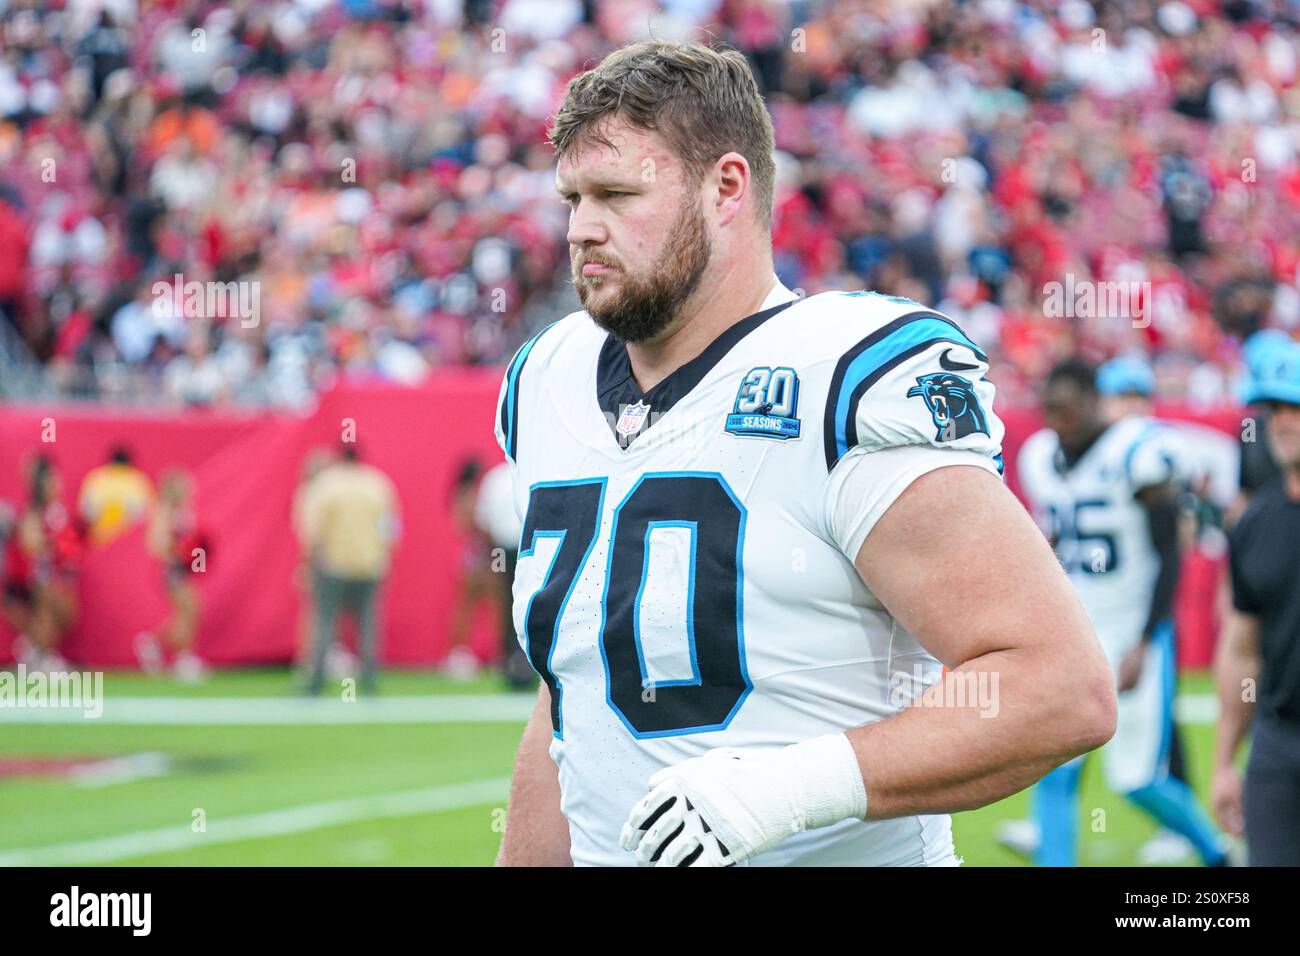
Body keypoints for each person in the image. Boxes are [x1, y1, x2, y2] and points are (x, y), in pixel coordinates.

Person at [493, 40, 1116, 868]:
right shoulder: (549, 376)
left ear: (726, 188)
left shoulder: (842, 377)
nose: (581, 229)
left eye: (616, 193)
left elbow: (1059, 686)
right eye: (571, 196)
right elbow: (574, 693)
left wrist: (788, 791)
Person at [1016, 359, 1228, 867]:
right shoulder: (1042, 455)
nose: (1058, 423)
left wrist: (1147, 639)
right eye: (1051, 412)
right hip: (1076, 632)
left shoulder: (1138, 453)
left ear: (1093, 403)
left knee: (1134, 779)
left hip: (1131, 629)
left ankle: (1215, 851)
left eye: (1067, 411)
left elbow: (1168, 554)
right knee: (1056, 768)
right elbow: (1055, 536)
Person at [1215, 340, 1300, 866]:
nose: (1283, 422)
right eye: (1274, 410)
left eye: (1296, 408)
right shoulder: (1254, 524)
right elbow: (1241, 649)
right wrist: (1226, 761)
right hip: (1278, 743)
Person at [294, 443, 400, 696]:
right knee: (367, 623)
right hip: (369, 564)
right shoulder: (377, 485)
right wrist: (384, 556)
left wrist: (308, 563)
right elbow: (391, 528)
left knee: (324, 621)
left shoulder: (326, 486)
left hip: (334, 563)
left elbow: (313, 530)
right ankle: (369, 679)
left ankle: (316, 680)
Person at [3, 456, 82, 673]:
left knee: (67, 611)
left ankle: (35, 650)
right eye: (53, 480)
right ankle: (40, 656)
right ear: (43, 483)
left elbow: (72, 544)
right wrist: (53, 545)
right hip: (26, 581)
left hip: (53, 578)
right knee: (48, 604)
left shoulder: (59, 511)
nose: (58, 484)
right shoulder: (33, 511)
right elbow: (30, 544)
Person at [134, 470, 209, 683]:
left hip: (183, 569)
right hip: (172, 570)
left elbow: (196, 542)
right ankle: (181, 657)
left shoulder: (184, 512)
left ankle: (155, 645)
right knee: (188, 610)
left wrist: (198, 558)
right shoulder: (165, 511)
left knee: (191, 611)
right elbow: (157, 542)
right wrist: (177, 551)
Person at [474, 458, 531, 690]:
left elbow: (483, 521)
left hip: (503, 550)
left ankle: (510, 663)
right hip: (529, 548)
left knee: (507, 607)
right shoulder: (530, 472)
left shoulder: (494, 478)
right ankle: (526, 664)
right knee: (529, 607)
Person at [443, 459, 494, 680]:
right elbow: (472, 524)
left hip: (479, 555)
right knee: (469, 605)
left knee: (483, 605)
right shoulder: (467, 495)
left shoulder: (465, 494)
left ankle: (486, 651)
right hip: (478, 557)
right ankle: (458, 653)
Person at [76, 445, 153, 546]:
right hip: (129, 542)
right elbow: (148, 514)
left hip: (100, 538)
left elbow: (85, 511)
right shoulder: (139, 480)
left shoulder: (96, 478)